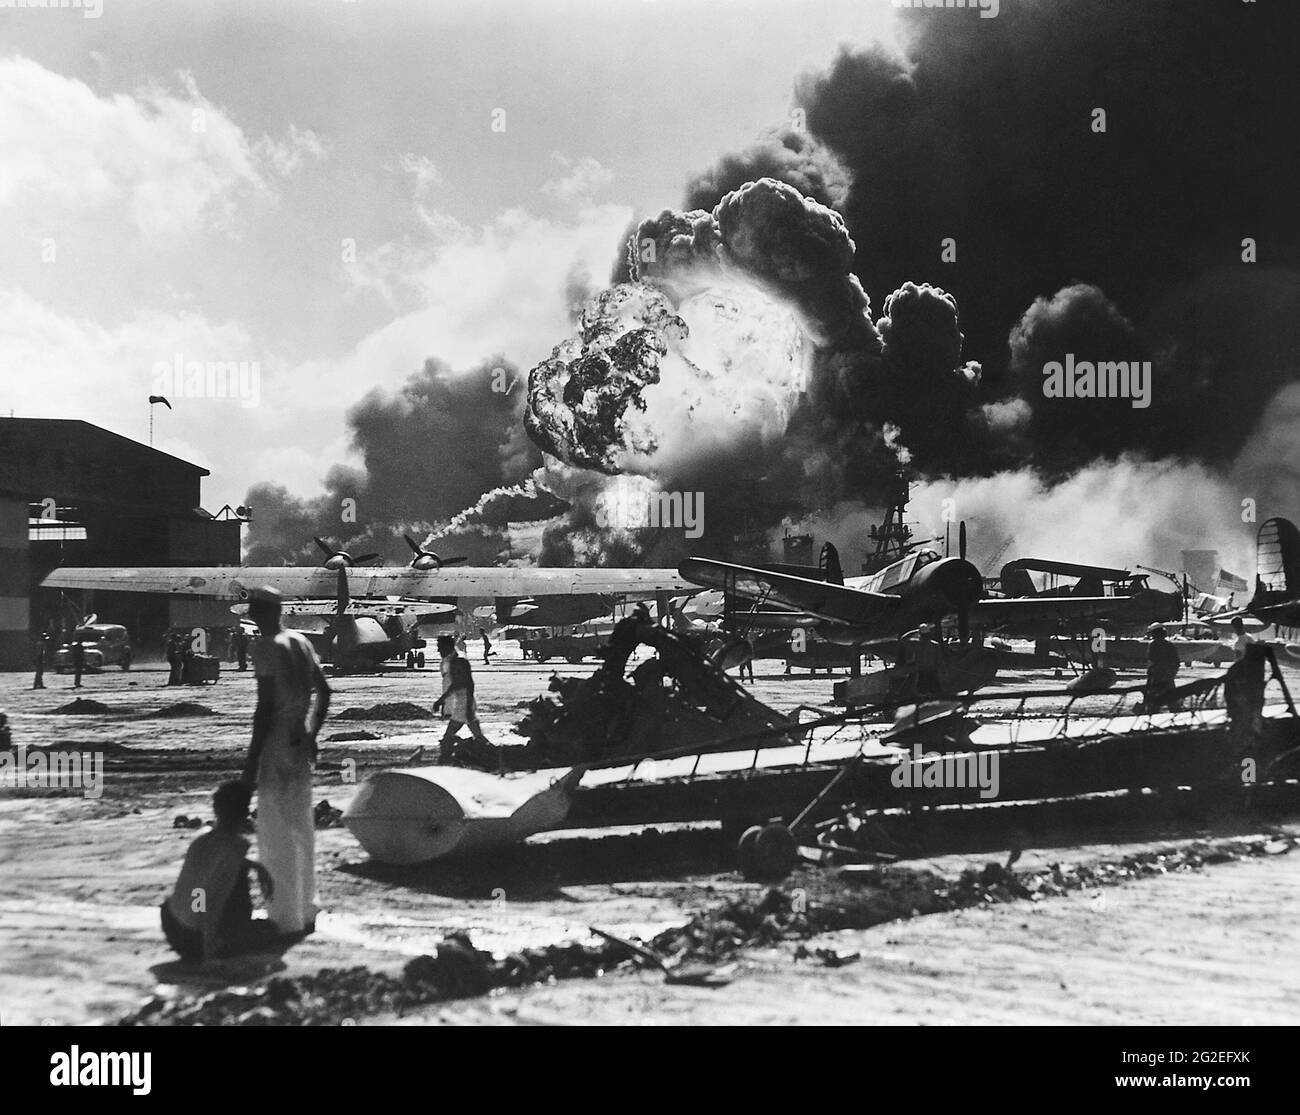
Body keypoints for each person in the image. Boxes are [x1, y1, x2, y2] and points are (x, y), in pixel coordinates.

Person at [241, 586, 330, 936]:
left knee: (276, 829)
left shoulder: (265, 647)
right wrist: (312, 734)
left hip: (276, 742)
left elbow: (263, 710)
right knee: (301, 826)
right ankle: (306, 909)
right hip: (299, 742)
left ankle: (283, 915)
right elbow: (324, 691)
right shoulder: (301, 643)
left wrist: (251, 762)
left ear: (261, 612)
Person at [161, 781, 279, 963]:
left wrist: (254, 865)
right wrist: (208, 946)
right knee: (269, 930)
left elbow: (198, 890)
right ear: (244, 815)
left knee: (190, 897)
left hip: (175, 927)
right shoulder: (234, 849)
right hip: (196, 937)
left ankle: (210, 937)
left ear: (216, 811)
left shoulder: (201, 842)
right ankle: (217, 941)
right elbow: (211, 899)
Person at [434, 634, 490, 763]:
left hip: (464, 704)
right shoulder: (453, 662)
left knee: (448, 737)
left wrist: (467, 707)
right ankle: (494, 755)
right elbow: (455, 684)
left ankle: (444, 761)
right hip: (463, 703)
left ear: (448, 647)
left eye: (440, 647)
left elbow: (467, 684)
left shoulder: (459, 662)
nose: (438, 651)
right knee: (478, 736)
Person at [1144, 623, 1182, 711]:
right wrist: (1172, 673)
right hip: (1168, 674)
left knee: (1153, 698)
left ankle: (1152, 713)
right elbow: (1176, 661)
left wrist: (1152, 672)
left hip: (1156, 675)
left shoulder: (1153, 644)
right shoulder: (1170, 645)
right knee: (1171, 698)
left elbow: (1152, 658)